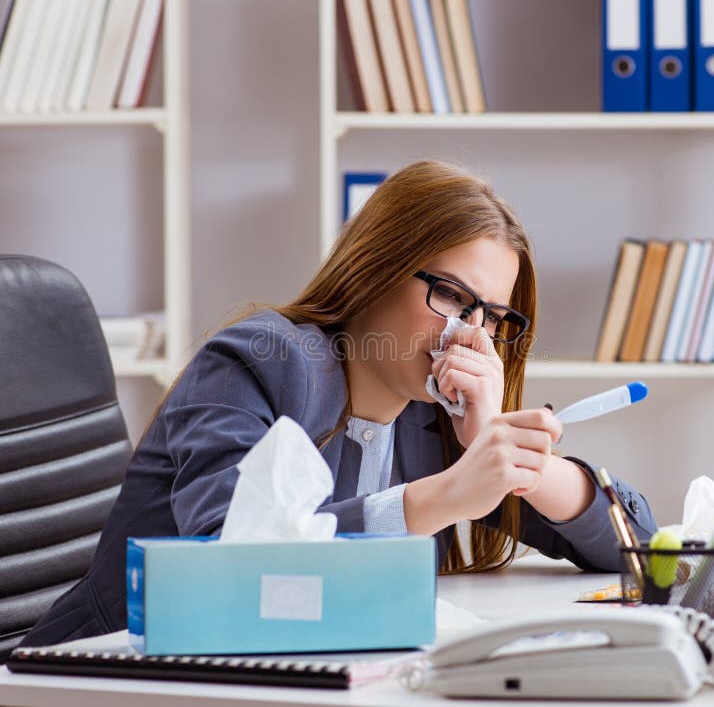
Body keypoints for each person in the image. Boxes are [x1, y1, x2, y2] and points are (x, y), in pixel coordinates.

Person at [22, 160, 657, 646]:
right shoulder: (257, 362)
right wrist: (440, 498)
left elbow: (640, 549)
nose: (467, 335)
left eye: (491, 317)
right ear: (376, 268)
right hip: (110, 675)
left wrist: (506, 455)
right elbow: (230, 568)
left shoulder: (434, 418)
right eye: (452, 297)